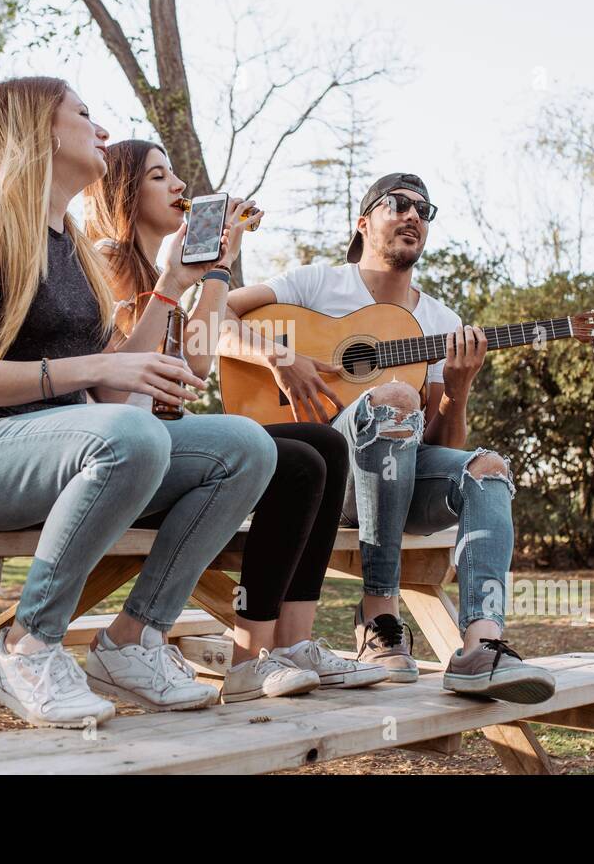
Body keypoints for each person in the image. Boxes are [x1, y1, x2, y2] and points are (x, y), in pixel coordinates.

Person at [0, 78, 277, 728]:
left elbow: (126, 391)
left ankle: (134, 638)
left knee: (246, 449)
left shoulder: (76, 253)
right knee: (134, 436)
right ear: (39, 128)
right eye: (85, 114)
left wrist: (185, 279)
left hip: (67, 446)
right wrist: (103, 364)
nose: (101, 129)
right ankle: (29, 644)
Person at [219, 173, 556, 704]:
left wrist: (458, 390)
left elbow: (441, 442)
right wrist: (280, 356)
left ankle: (481, 646)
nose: (413, 215)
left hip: (398, 485)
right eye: (398, 204)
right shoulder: (316, 285)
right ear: (363, 222)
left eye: (425, 210)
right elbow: (209, 319)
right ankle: (379, 617)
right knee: (395, 397)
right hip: (320, 481)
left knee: (487, 468)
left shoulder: (440, 320)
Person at [85, 140, 387, 702]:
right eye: (159, 176)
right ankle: (250, 658)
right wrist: (174, 288)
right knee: (293, 460)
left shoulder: (162, 270)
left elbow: (197, 359)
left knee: (323, 444)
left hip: (165, 443)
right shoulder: (101, 265)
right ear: (124, 194)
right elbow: (115, 379)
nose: (179, 186)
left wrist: (221, 266)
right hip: (119, 453)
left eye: (174, 173)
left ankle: (291, 644)